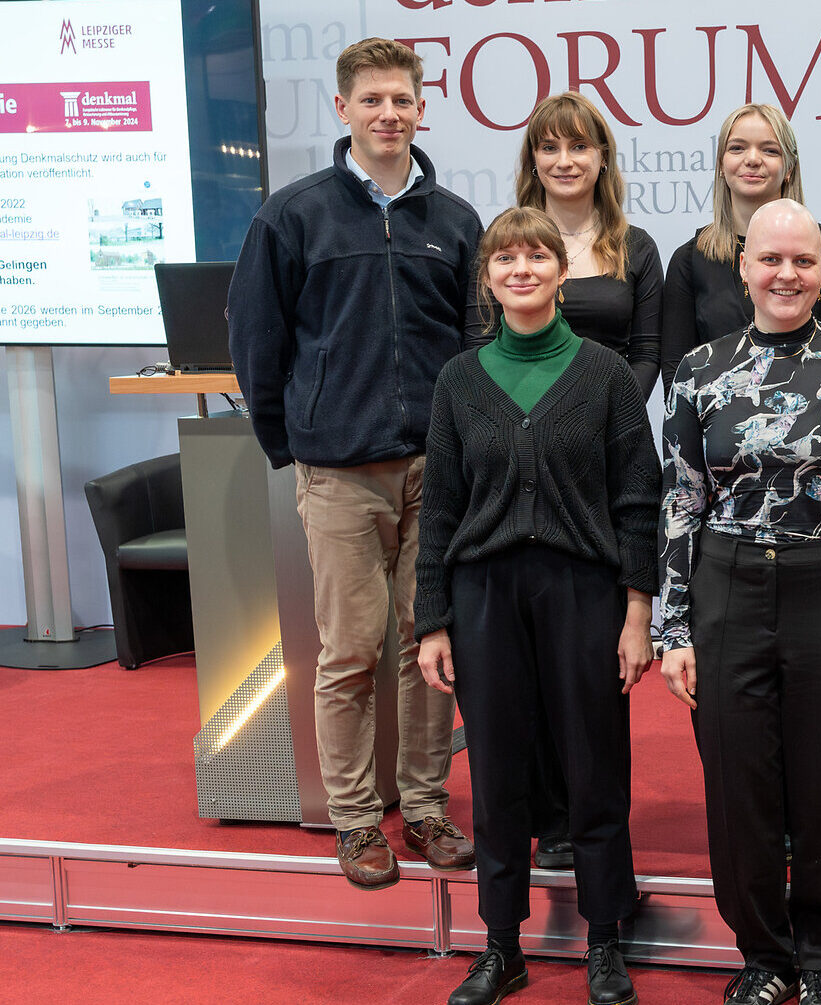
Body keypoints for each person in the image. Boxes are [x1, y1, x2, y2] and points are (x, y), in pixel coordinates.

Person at [227, 37, 478, 889]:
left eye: (401, 99)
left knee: (429, 644)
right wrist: (292, 441)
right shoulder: (292, 215)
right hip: (338, 472)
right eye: (371, 99)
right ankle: (355, 820)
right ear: (343, 109)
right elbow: (256, 341)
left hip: (436, 472)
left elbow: (475, 346)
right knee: (348, 653)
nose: (388, 113)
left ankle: (427, 805)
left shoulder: (455, 221)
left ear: (421, 107)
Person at [659, 199, 821, 1005]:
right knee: (739, 783)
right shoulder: (699, 371)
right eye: (771, 259)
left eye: (802, 261)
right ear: (745, 268)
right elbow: (680, 502)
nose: (786, 274)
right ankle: (764, 954)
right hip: (726, 586)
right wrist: (672, 627)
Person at [415, 206, 658, 1005]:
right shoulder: (458, 380)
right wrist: (432, 619)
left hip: (583, 592)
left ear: (561, 272)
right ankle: (501, 946)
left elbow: (638, 499)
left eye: (537, 256)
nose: (521, 269)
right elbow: (440, 508)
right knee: (496, 774)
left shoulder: (606, 374)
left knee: (595, 765)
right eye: (505, 259)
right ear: (487, 278)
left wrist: (637, 612)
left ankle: (605, 938)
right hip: (484, 595)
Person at [483, 90, 665, 874]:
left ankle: (593, 820)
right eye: (550, 146)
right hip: (520, 461)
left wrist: (595, 414)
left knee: (585, 656)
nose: (565, 160)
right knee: (524, 659)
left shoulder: (636, 246)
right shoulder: (510, 242)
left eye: (579, 145)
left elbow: (650, 352)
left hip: (603, 456)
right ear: (533, 158)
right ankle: (549, 816)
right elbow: (479, 346)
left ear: (601, 157)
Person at [661, 103, 821, 394]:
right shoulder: (689, 260)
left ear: (789, 168)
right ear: (721, 165)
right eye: (737, 148)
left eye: (769, 150)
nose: (752, 159)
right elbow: (677, 378)